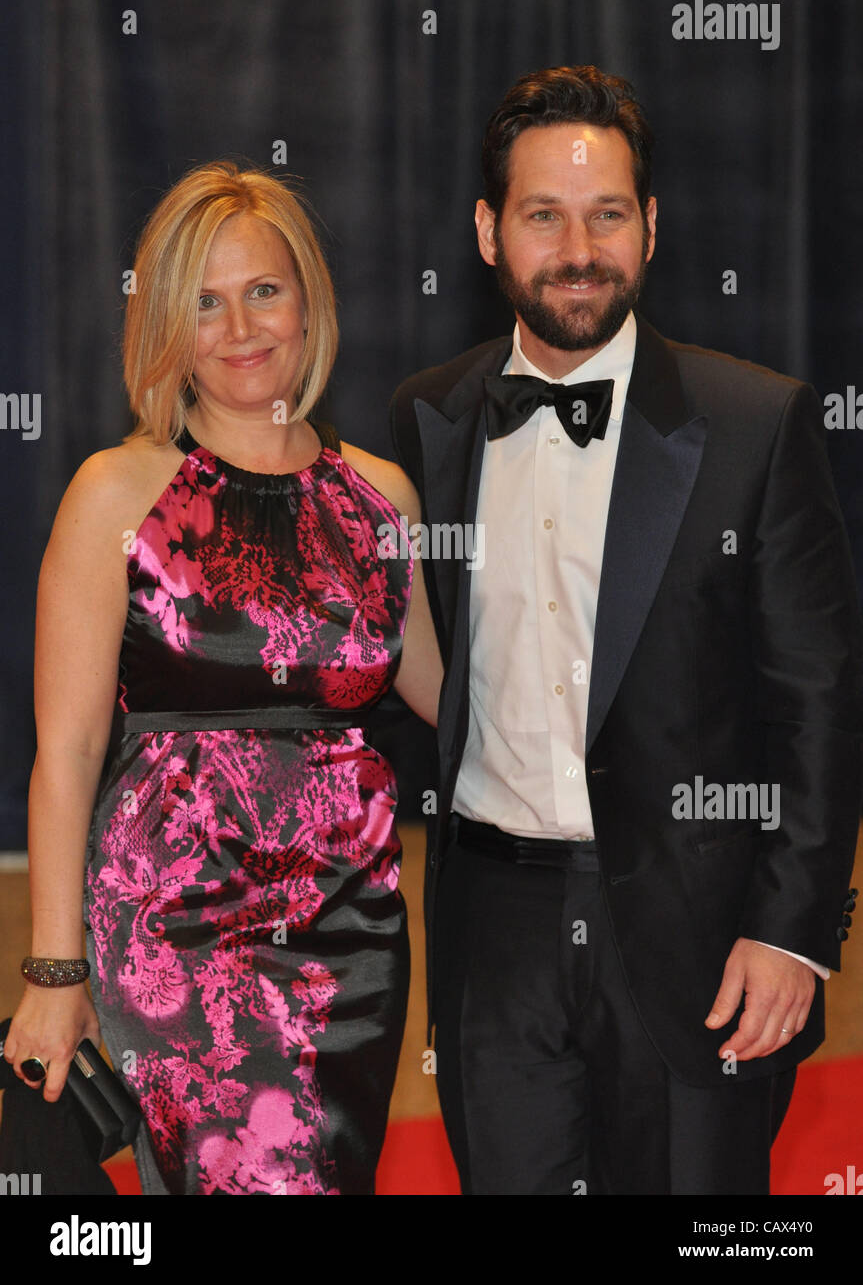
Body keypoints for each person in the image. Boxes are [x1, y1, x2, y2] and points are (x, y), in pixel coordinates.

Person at [389, 65, 863, 1195]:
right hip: (491, 931)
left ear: (649, 228)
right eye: (542, 214)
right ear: (486, 231)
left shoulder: (754, 421)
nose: (577, 247)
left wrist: (791, 932)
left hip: (698, 934)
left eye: (606, 214)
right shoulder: (429, 418)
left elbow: (818, 695)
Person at [4, 160, 443, 1195]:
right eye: (204, 301)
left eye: (263, 290)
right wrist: (54, 973)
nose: (239, 327)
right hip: (176, 927)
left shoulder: (379, 496)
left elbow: (445, 693)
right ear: (165, 324)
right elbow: (64, 756)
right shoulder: (114, 492)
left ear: (307, 303)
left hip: (354, 932)